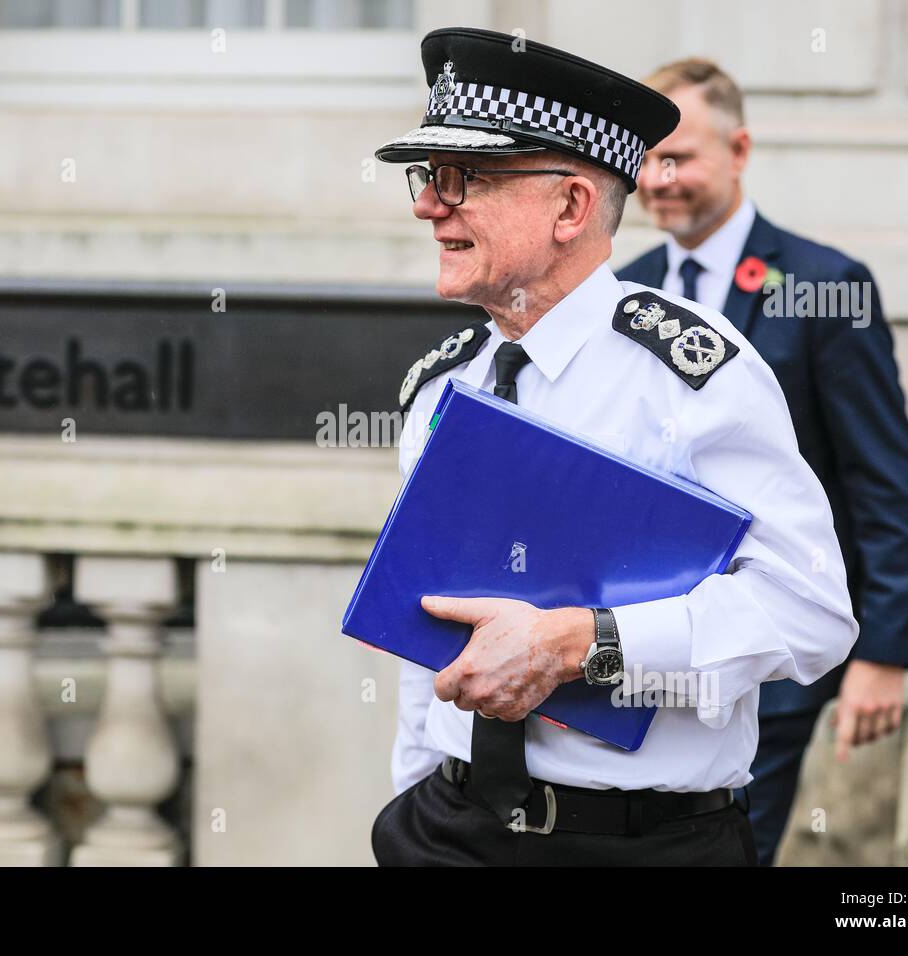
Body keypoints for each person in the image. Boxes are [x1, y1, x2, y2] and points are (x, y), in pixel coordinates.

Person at [367, 27, 858, 867]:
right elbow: (426, 628)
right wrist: (411, 794)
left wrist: (581, 646)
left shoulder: (693, 375)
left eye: (467, 180)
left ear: (570, 206)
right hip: (447, 828)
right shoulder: (441, 388)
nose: (427, 205)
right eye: (429, 177)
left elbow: (810, 613)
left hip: (642, 844)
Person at [617, 59, 908, 866]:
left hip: (772, 660)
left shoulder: (824, 286)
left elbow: (882, 483)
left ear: (740, 149)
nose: (657, 179)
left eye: (678, 157)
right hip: (652, 656)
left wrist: (883, 653)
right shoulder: (626, 291)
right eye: (645, 159)